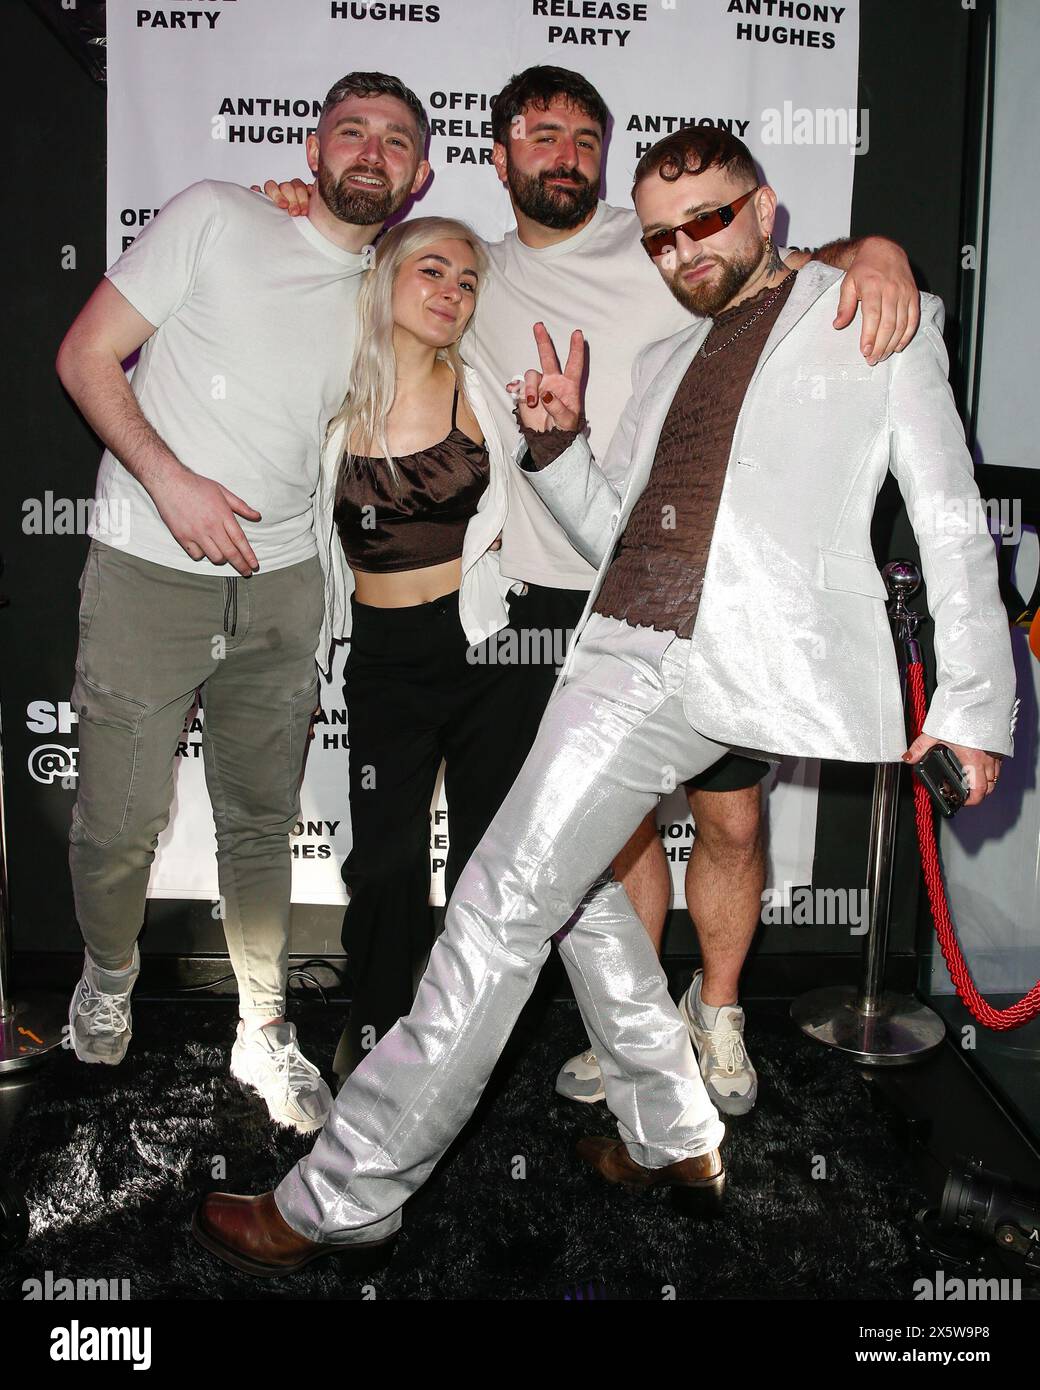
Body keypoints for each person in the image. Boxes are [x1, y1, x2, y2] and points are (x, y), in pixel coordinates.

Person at [191, 126, 1015, 1275]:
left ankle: (343, 1195)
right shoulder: (670, 361)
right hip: (618, 648)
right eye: (665, 233)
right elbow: (621, 527)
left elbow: (944, 512)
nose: (684, 249)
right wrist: (553, 444)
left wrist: (973, 699)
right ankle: (673, 1133)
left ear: (763, 209)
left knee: (493, 909)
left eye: (709, 220)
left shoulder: (871, 312)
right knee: (573, 897)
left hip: (713, 665)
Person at [261, 64, 922, 1114]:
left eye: (580, 138)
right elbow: (361, 272)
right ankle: (643, 1033)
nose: (562, 154)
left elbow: (792, 268)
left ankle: (720, 1016)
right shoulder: (469, 269)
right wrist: (293, 206)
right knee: (610, 841)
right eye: (538, 135)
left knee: (731, 824)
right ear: (498, 156)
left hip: (694, 592)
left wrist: (876, 251)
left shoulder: (663, 242)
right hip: (541, 602)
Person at [55, 71, 430, 1132]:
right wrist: (169, 484)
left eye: (394, 141)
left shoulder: (389, 287)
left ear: (417, 173)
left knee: (260, 824)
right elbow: (85, 356)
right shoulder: (217, 216)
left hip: (283, 588)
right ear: (311, 151)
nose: (369, 152)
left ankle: (264, 1028)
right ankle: (109, 975)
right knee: (119, 824)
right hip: (147, 572)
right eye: (349, 131)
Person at [321, 216, 524, 1077]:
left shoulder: (483, 391)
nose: (451, 291)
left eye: (468, 280)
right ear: (384, 276)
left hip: (483, 652)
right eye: (431, 270)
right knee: (387, 859)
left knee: (485, 856)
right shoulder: (329, 392)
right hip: (383, 655)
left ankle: (465, 1040)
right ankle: (374, 1025)